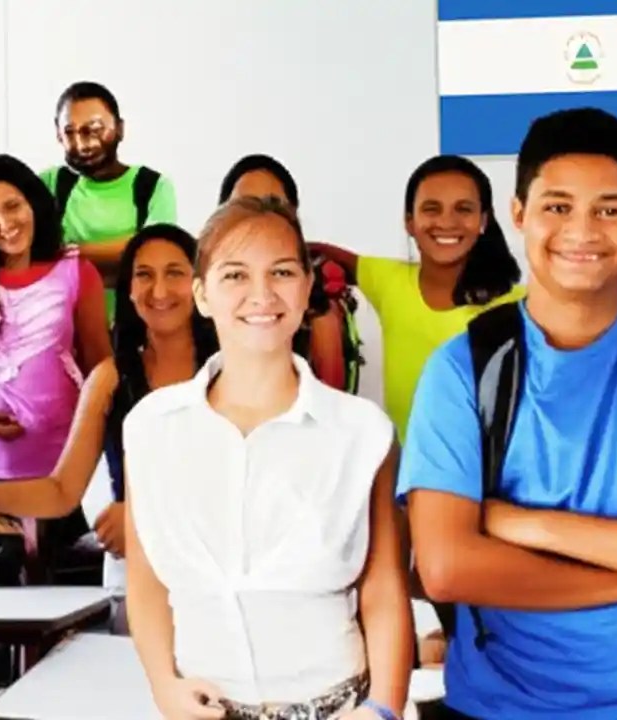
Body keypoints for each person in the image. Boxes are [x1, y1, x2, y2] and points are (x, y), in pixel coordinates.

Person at [399, 108, 617, 718]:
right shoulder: (463, 369)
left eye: (610, 208)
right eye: (557, 207)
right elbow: (446, 567)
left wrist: (526, 525)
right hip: (501, 705)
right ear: (519, 214)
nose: (583, 230)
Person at [123, 196, 412, 719]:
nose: (261, 294)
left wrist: (382, 712)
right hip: (201, 708)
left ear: (306, 287)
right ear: (201, 295)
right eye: (234, 275)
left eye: (281, 272)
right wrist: (163, 684)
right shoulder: (150, 426)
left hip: (338, 706)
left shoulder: (361, 430)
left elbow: (384, 588)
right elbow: (144, 579)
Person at [0, 223, 218, 631]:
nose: (159, 290)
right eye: (144, 275)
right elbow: (60, 491)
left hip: (218, 578)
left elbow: (243, 489)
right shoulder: (109, 378)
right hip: (136, 582)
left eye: (175, 272)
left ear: (200, 285)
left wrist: (142, 521)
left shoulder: (230, 373)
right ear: (128, 290)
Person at [0, 153, 111, 582]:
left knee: (68, 607)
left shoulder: (75, 273)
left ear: (33, 203)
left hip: (64, 475)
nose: (5, 223)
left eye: (13, 206)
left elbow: (101, 371)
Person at [312, 155, 524, 442]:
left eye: (463, 209)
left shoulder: (521, 305)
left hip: (487, 481)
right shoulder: (388, 280)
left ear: (483, 221)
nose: (447, 222)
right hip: (406, 480)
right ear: (409, 222)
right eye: (431, 209)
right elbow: (320, 253)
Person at [218, 153, 360, 393]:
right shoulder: (202, 278)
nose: (259, 215)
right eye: (244, 204)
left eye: (273, 204)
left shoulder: (320, 300)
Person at [40, 81, 178, 318]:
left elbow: (153, 253)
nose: (82, 144)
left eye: (93, 129)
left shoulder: (152, 186)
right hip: (63, 330)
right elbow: (31, 255)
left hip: (134, 329)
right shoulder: (50, 184)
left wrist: (66, 255)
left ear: (120, 128)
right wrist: (118, 259)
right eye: (70, 132)